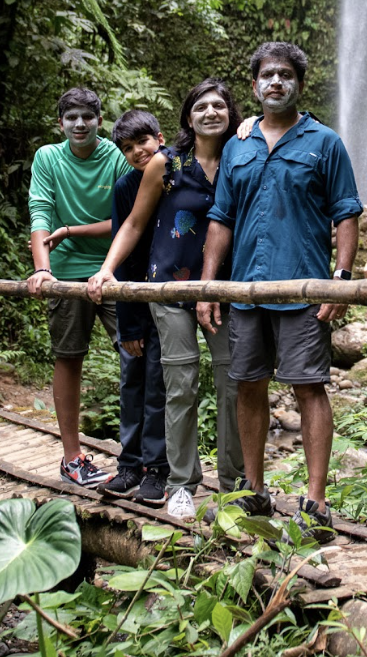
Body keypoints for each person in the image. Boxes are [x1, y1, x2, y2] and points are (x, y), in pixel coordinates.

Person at [197, 42, 362, 542]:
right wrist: (209, 286)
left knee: (309, 387)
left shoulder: (325, 143)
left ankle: (315, 501)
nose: (275, 82)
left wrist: (342, 278)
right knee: (248, 384)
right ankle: (254, 489)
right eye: (267, 75)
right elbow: (220, 218)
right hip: (245, 289)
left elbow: (347, 210)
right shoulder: (237, 146)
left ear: (299, 85)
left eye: (285, 75)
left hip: (303, 289)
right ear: (254, 86)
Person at [88, 78, 245, 519]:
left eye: (220, 106)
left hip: (223, 291)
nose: (211, 113)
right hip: (169, 289)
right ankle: (182, 483)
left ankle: (234, 486)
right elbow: (135, 224)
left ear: (231, 113)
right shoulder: (167, 163)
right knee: (179, 387)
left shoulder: (243, 157)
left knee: (233, 385)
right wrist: (106, 270)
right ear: (187, 117)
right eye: (201, 107)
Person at [28, 87, 132, 488]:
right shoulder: (48, 158)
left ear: (99, 121)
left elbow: (126, 220)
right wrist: (43, 270)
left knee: (136, 353)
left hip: (112, 270)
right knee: (68, 357)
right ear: (60, 123)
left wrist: (71, 230)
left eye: (87, 116)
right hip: (66, 273)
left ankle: (137, 455)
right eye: (71, 117)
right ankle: (72, 458)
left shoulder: (116, 158)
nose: (79, 123)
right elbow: (41, 211)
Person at [98, 110, 169, 506]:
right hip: (134, 297)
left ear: (159, 138)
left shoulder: (179, 172)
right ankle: (129, 465)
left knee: (159, 385)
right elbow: (123, 254)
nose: (138, 152)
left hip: (172, 295)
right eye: (127, 148)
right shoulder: (126, 187)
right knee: (132, 383)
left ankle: (156, 471)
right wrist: (128, 324)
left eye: (143, 141)